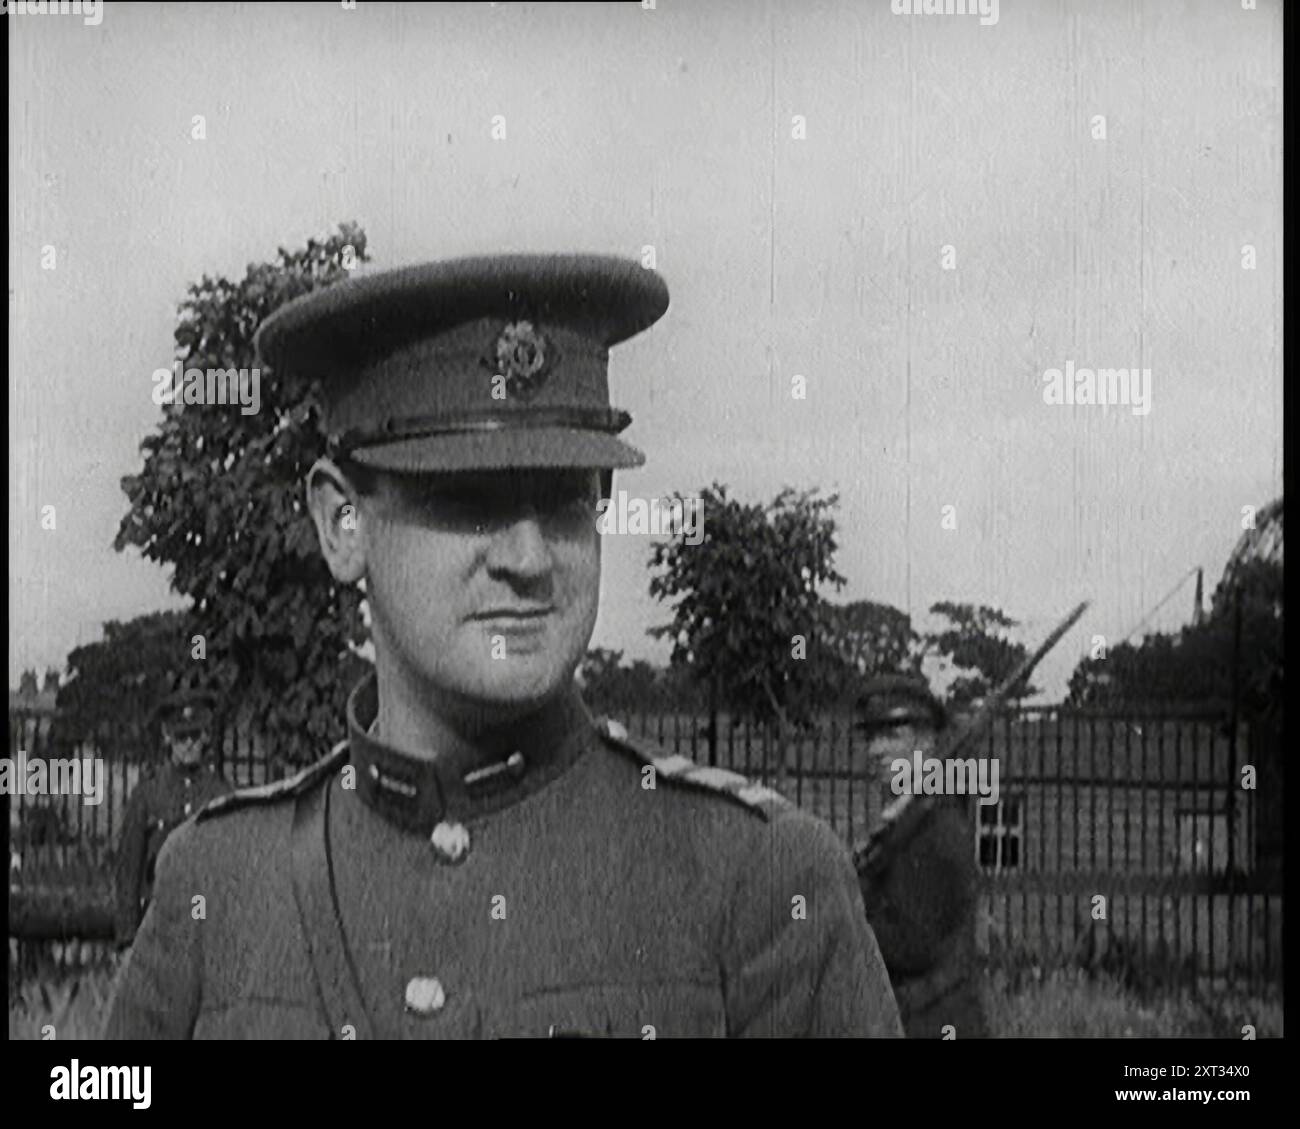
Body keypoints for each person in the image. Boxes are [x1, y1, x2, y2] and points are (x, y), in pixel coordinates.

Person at [104, 254, 901, 1039]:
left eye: (563, 503)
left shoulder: (753, 879)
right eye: (470, 501)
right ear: (342, 523)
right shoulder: (219, 883)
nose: (528, 558)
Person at [853, 672, 987, 1038]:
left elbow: (912, 946)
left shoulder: (936, 830)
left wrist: (841, 916)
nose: (876, 750)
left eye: (891, 736)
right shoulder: (900, 825)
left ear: (926, 743)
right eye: (872, 736)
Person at [112, 687, 232, 947]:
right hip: (158, 931)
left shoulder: (221, 794)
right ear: (167, 737)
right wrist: (127, 938)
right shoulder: (148, 794)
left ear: (206, 736)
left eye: (195, 735)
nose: (189, 743)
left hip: (208, 933)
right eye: (181, 736)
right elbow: (129, 870)